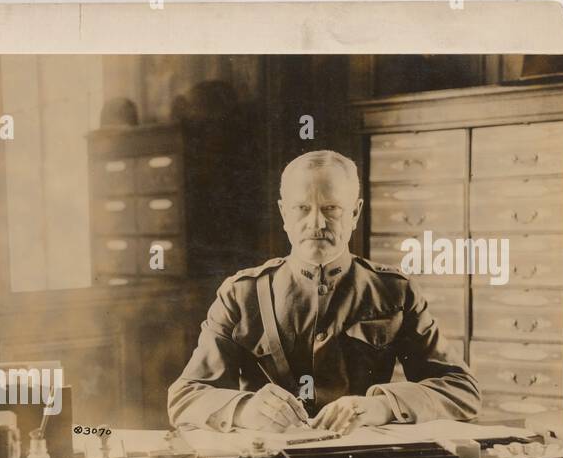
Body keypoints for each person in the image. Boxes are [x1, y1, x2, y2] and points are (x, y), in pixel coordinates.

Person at [168, 149, 479, 434]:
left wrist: (380, 406)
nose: (316, 223)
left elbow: (461, 390)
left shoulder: (394, 292)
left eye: (331, 209)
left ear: (355, 213)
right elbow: (185, 397)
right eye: (302, 208)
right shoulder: (240, 295)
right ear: (284, 214)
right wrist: (245, 410)